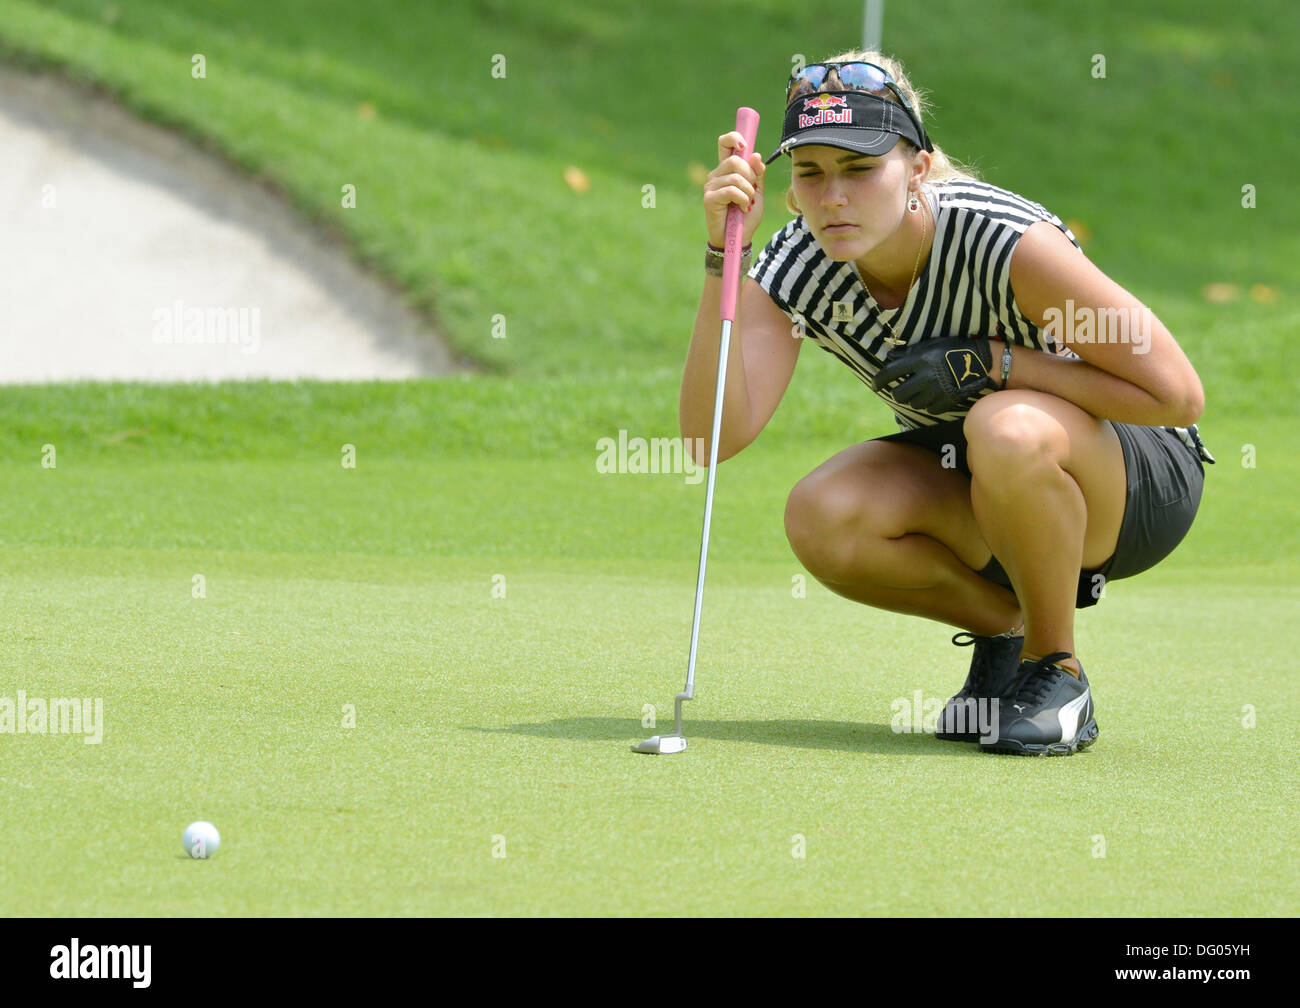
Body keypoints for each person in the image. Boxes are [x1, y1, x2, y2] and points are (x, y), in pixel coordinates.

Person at [682, 50, 1213, 756]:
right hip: (988, 480)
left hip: (1136, 475)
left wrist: (1001, 363)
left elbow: (1176, 395)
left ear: (918, 169)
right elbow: (710, 437)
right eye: (810, 173)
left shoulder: (1003, 240)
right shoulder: (796, 264)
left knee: (1005, 423)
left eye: (860, 169)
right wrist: (723, 256)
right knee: (823, 513)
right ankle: (1008, 630)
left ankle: (1059, 674)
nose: (833, 196)